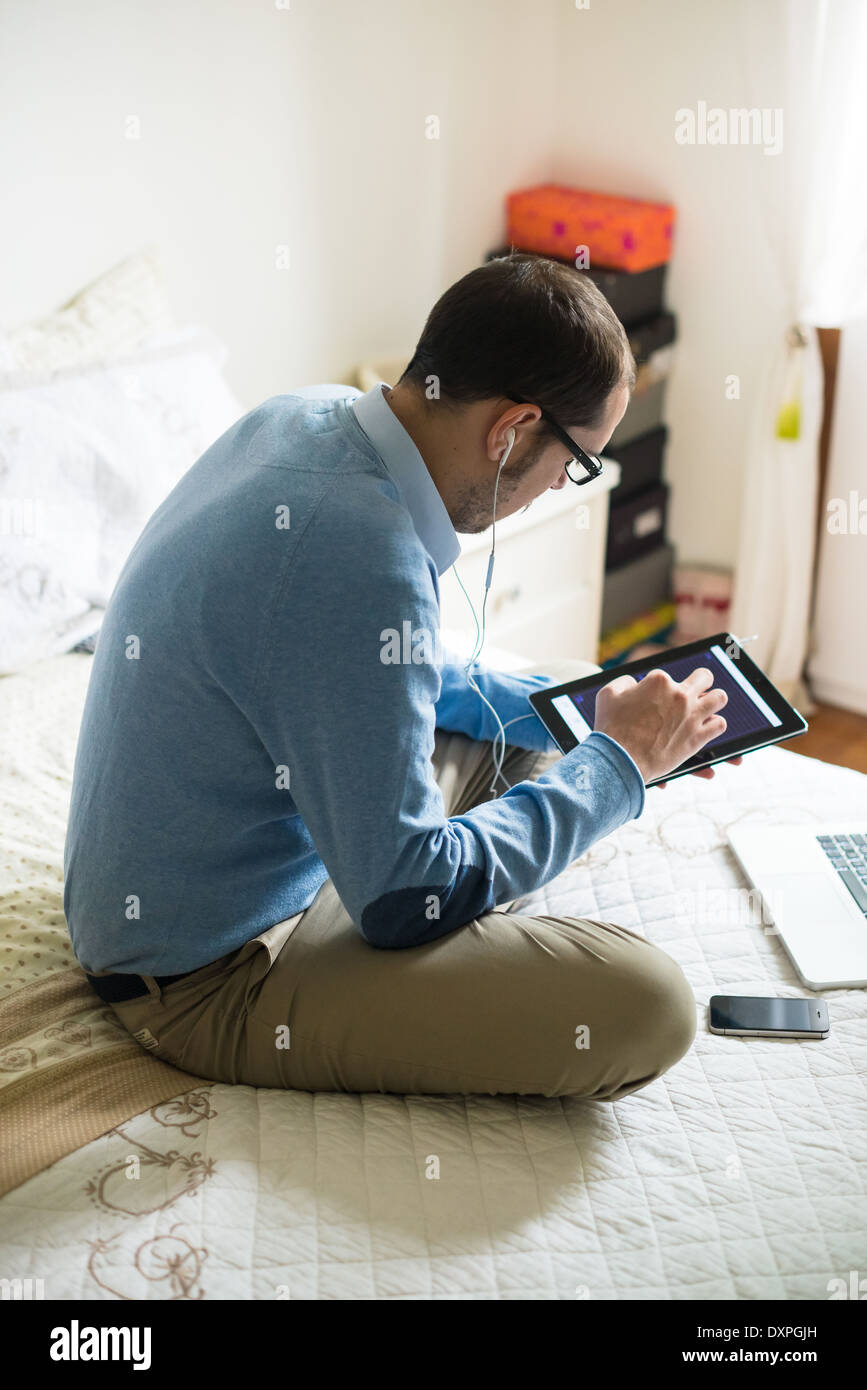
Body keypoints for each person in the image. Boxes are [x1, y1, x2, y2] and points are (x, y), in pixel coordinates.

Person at [64, 253, 732, 1101]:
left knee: (563, 692)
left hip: (228, 866)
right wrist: (620, 767)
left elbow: (376, 664)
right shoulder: (357, 553)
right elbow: (402, 897)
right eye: (576, 461)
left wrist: (593, 723)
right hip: (208, 975)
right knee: (649, 1006)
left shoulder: (304, 416)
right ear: (512, 429)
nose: (563, 486)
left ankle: (566, 740)